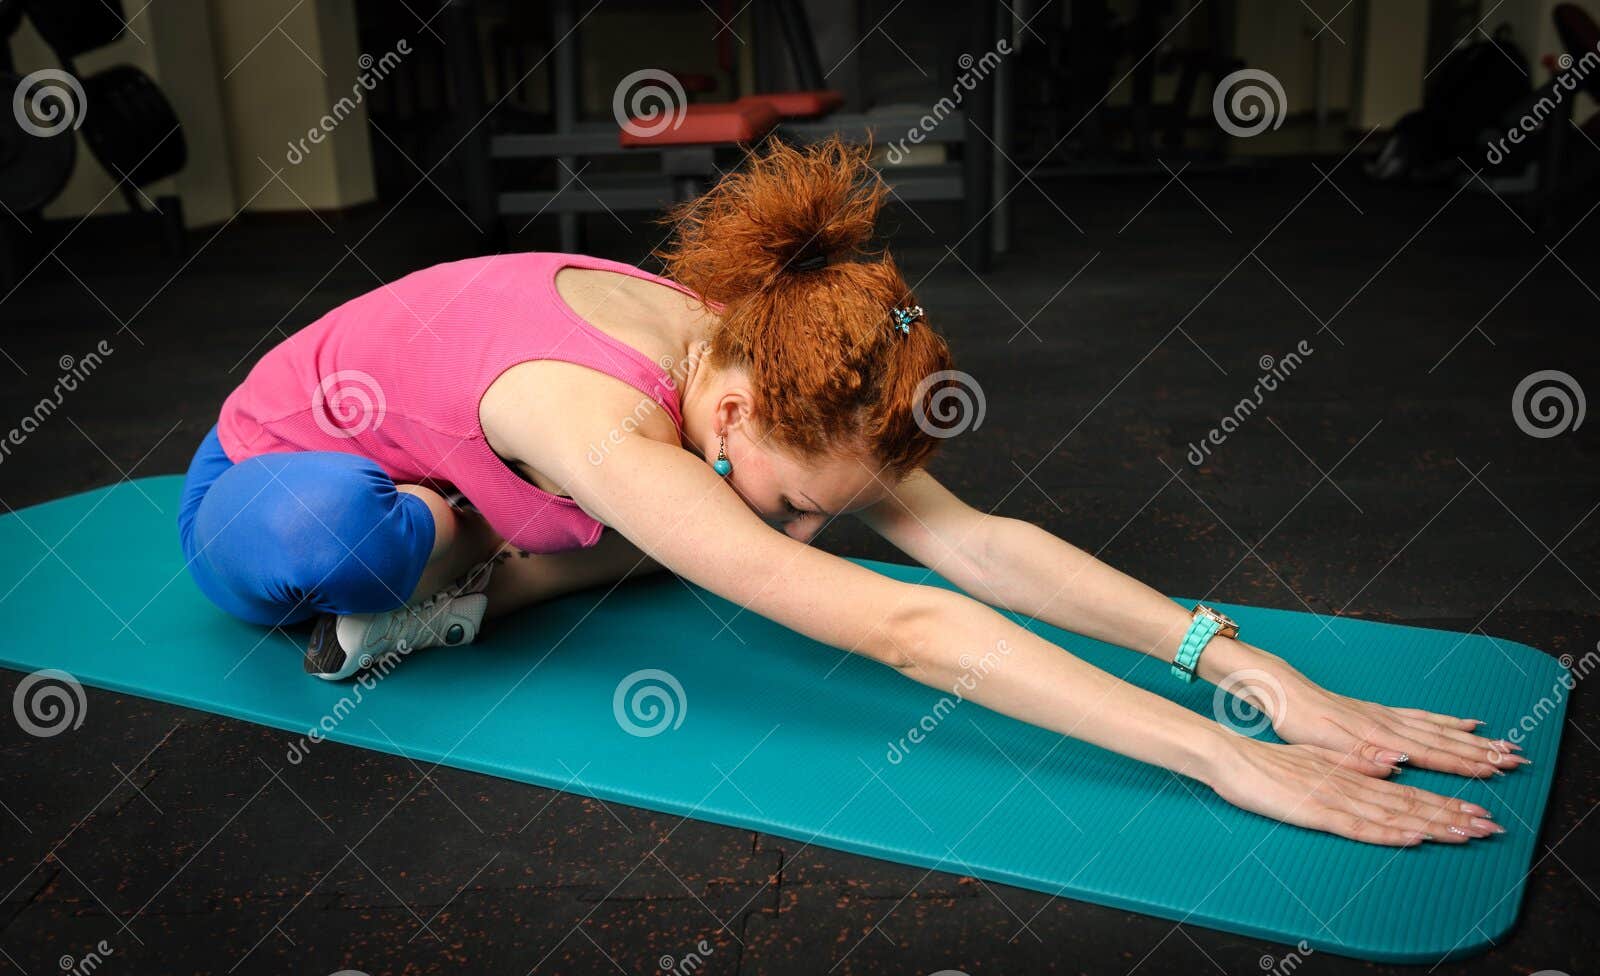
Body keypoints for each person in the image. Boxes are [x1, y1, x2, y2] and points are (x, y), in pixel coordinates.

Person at [177, 138, 1521, 848]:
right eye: (802, 500)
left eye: (827, 509)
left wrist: (1252, 672)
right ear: (736, 406)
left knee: (727, 528)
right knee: (346, 537)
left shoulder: (760, 352)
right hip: (273, 476)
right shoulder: (589, 416)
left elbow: (972, 548)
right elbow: (905, 624)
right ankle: (447, 561)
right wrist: (1223, 760)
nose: (817, 527)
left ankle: (483, 580)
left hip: (569, 488)